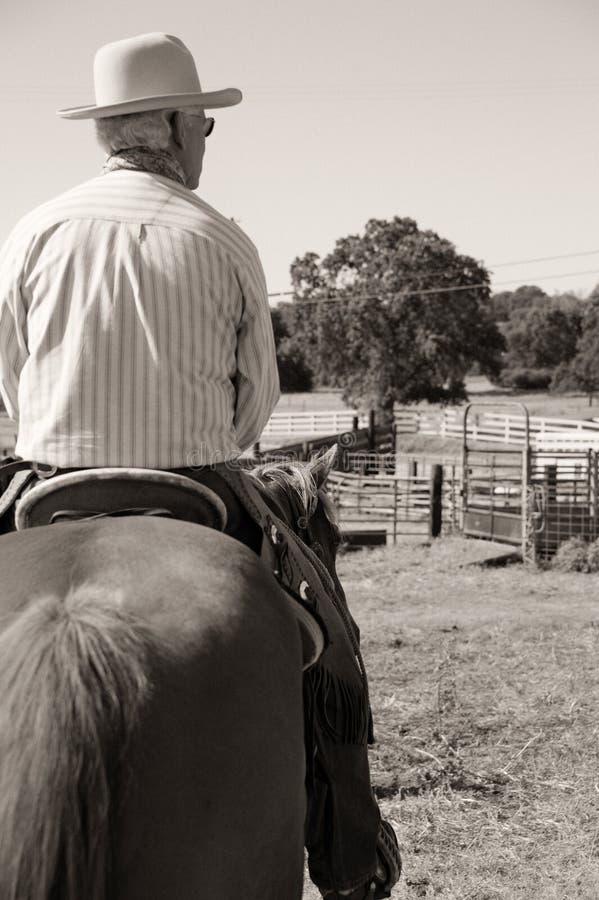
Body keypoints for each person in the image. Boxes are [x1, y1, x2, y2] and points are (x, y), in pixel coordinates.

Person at [0, 33, 400, 897]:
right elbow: (256, 402)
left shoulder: (33, 228)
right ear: (181, 127)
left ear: (107, 131)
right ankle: (350, 853)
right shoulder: (220, 237)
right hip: (201, 483)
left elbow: (8, 376)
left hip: (44, 478)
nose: (204, 143)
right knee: (329, 643)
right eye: (205, 127)